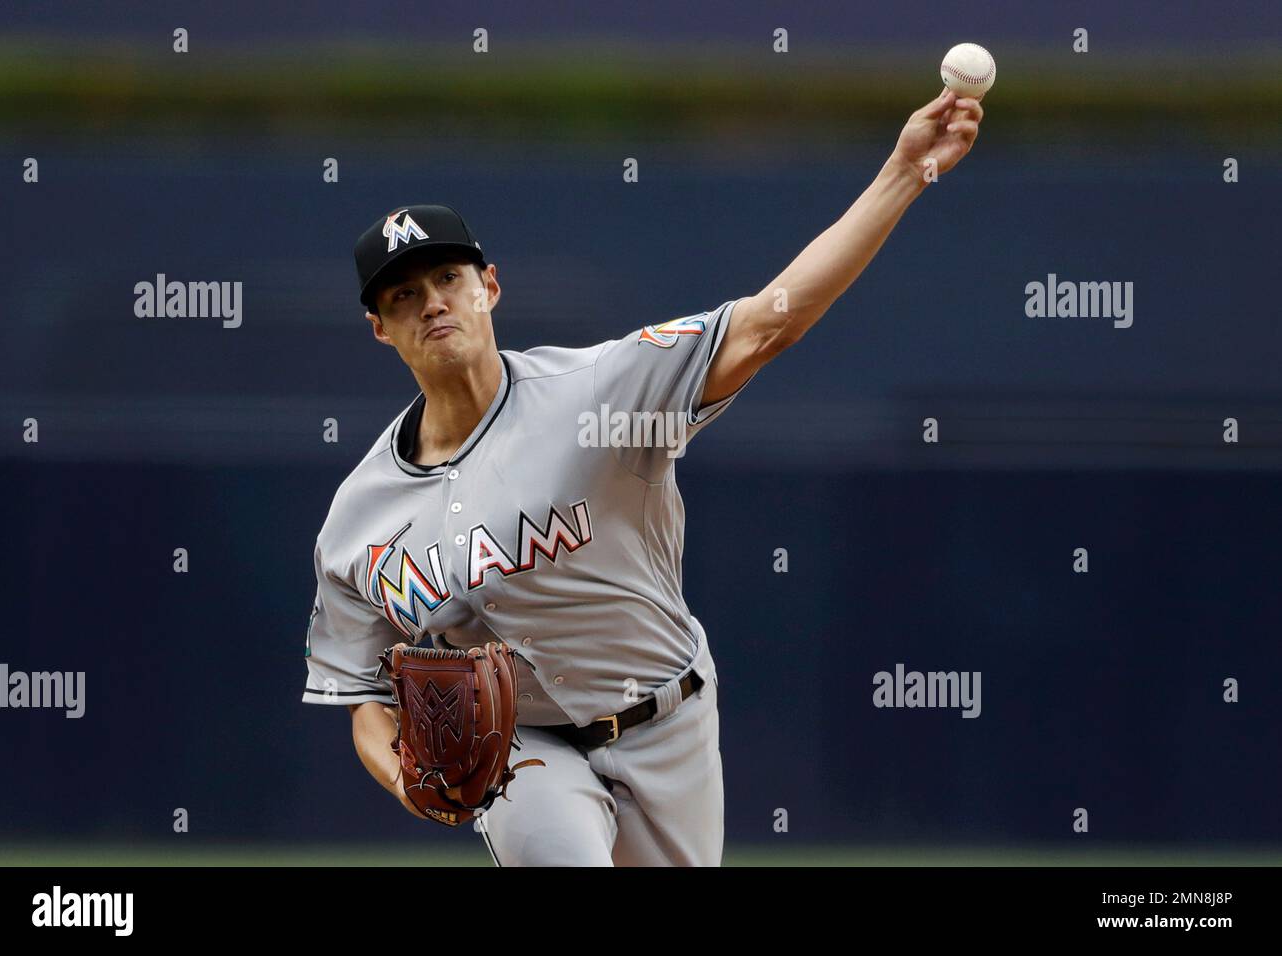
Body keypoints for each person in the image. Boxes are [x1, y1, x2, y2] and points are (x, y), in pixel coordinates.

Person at [302, 88, 984, 865]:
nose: (431, 304)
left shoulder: (603, 392)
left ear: (489, 286)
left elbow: (770, 322)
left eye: (447, 281)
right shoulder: (357, 519)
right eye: (403, 295)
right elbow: (363, 702)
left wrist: (903, 170)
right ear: (378, 327)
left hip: (670, 721)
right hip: (522, 753)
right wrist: (411, 779)